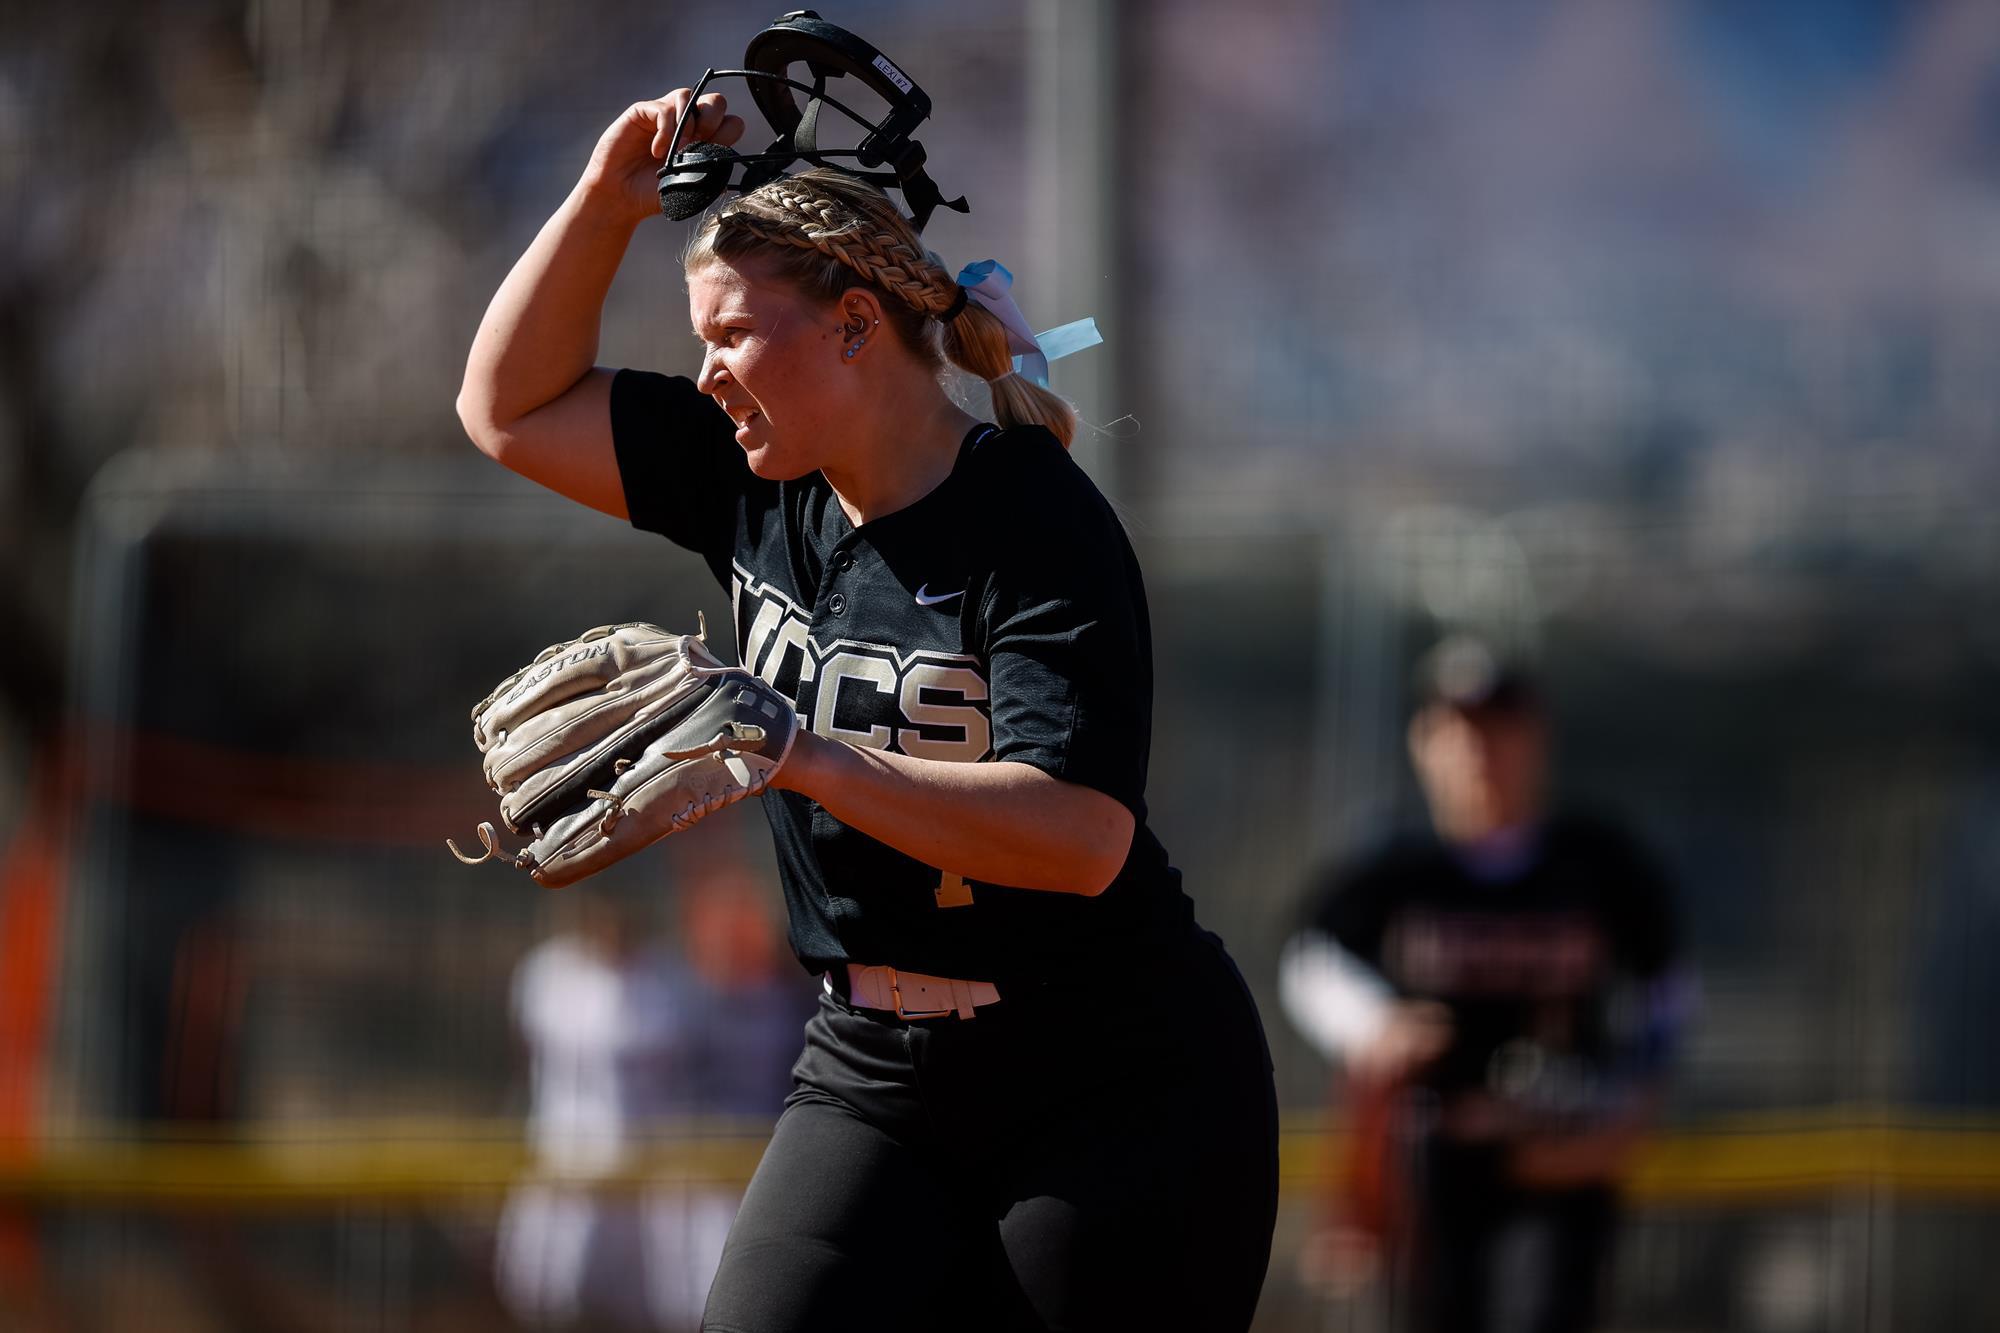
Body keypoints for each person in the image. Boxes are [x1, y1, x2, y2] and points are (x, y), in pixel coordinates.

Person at [458, 87, 1279, 1331]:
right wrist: (602, 202)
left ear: (853, 326)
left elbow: (1079, 836)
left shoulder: (1034, 518)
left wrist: (802, 753)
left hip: (1107, 1072)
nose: (707, 373)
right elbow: (506, 409)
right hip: (869, 1070)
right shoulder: (752, 481)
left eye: (731, 333)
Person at [1280, 637, 1689, 1333]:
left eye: (1498, 727)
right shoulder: (1395, 863)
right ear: (1423, 742)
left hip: (1559, 1151)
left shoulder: (1597, 861)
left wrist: (1631, 1104)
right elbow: (1310, 959)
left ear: (1536, 735)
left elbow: (1668, 991)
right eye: (1457, 730)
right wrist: (1375, 1023)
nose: (1478, 750)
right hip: (1434, 1162)